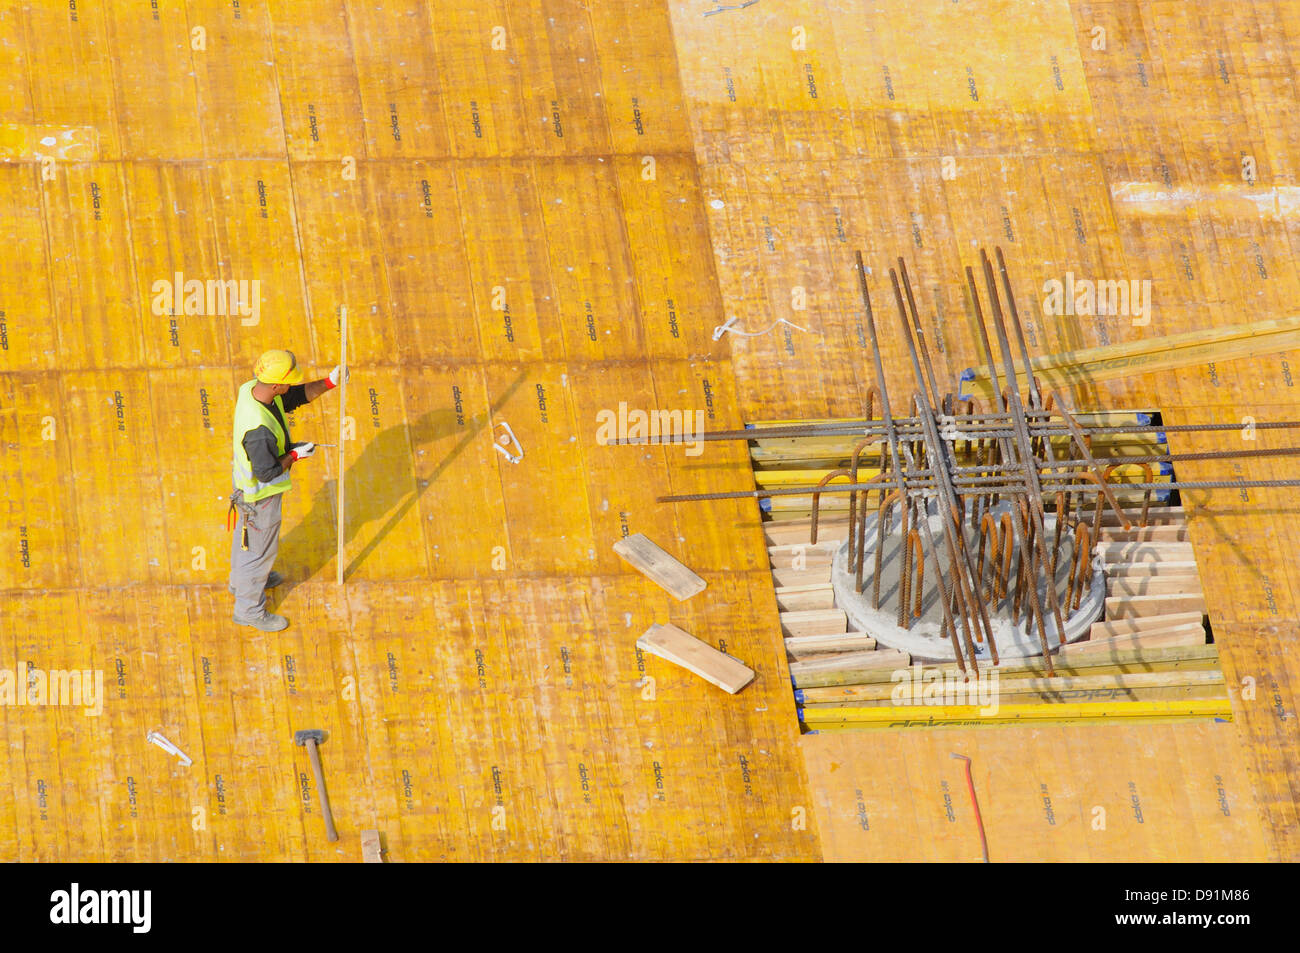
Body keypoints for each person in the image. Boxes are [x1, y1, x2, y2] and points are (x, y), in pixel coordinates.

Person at [228, 349, 346, 630]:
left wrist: (330, 382)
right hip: (259, 496)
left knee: (247, 544)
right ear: (275, 385)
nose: (290, 387)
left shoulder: (253, 389)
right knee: (259, 553)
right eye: (287, 383)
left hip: (248, 489)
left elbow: (293, 398)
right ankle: (249, 610)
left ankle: (242, 582)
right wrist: (295, 456)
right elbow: (267, 472)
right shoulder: (258, 430)